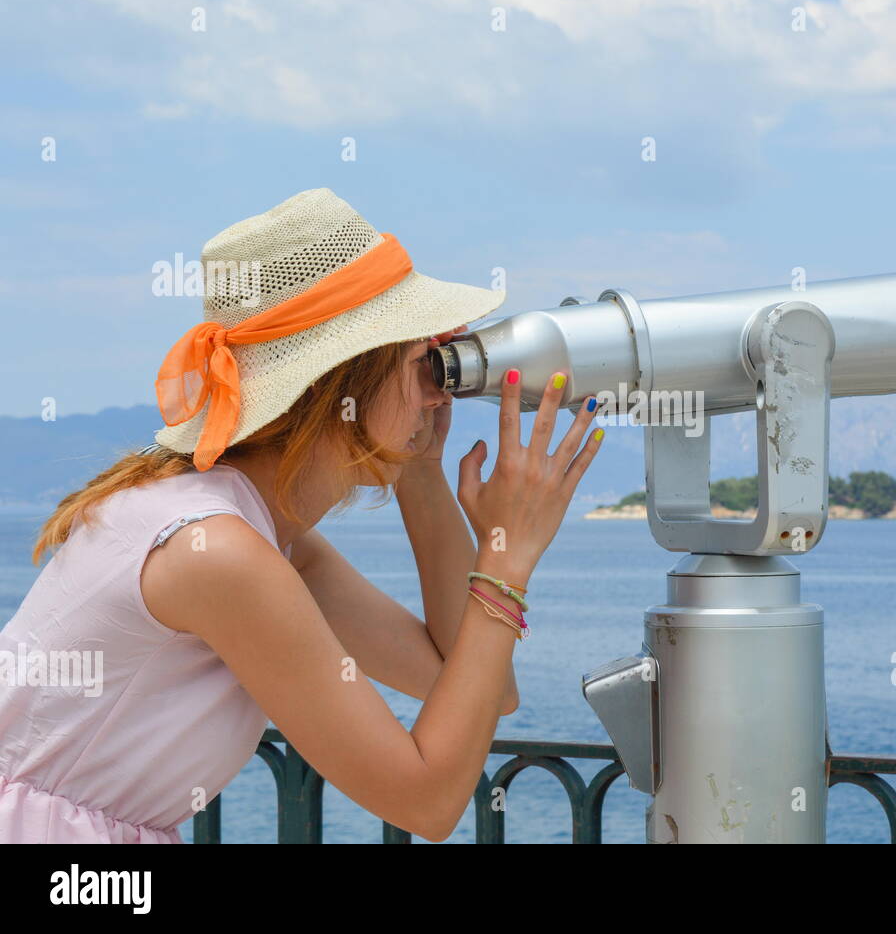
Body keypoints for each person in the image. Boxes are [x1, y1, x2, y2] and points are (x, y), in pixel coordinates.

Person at [0, 188, 603, 843]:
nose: (440, 387)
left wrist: (421, 472)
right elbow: (426, 803)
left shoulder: (260, 537)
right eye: (422, 364)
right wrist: (506, 559)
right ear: (344, 382)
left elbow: (476, 685)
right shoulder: (220, 554)